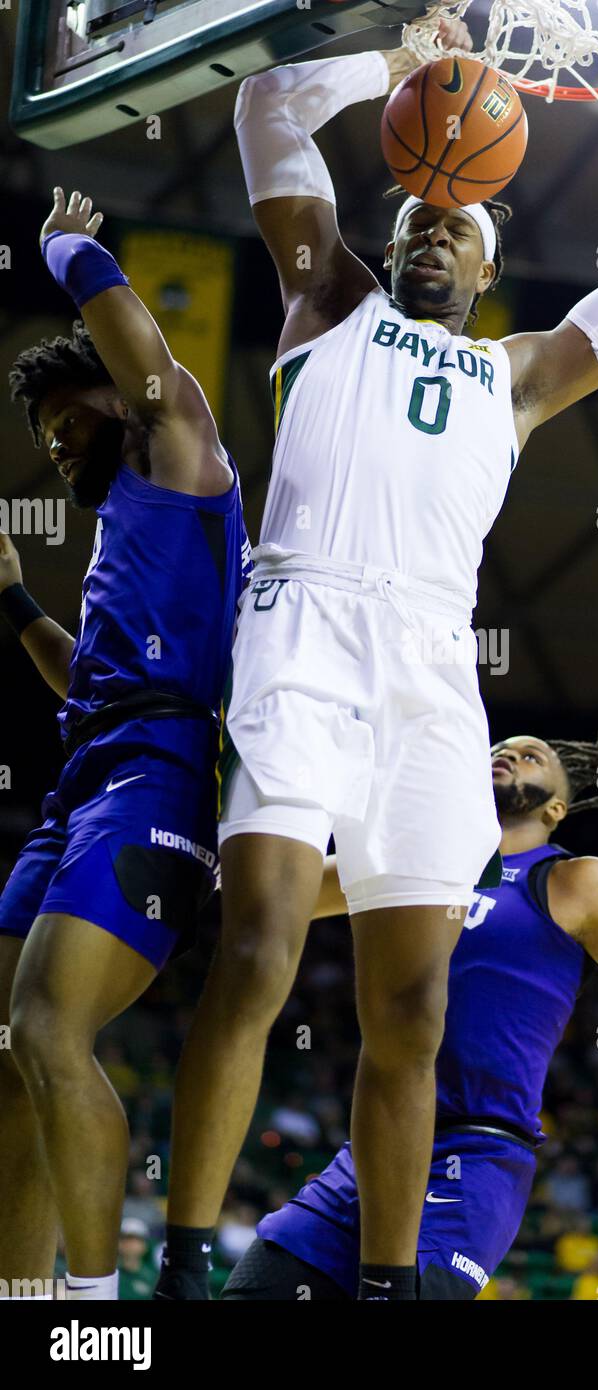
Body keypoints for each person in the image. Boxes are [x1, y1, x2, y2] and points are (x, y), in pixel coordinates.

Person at [158, 15, 598, 1302]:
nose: (427, 232)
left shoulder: (517, 376)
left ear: (489, 255)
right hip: (305, 622)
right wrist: (391, 72)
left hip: (429, 663)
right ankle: (185, 1263)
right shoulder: (326, 297)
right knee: (257, 950)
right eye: (414, 216)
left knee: (408, 1016)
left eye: (451, 225)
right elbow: (267, 114)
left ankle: (384, 1289)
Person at [221, 731, 598, 1300]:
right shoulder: (415, 861)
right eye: (497, 748)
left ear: (557, 808)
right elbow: (278, 897)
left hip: (478, 1154)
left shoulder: (577, 882)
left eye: (529, 756)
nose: (504, 755)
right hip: (373, 1146)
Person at [0, 188, 249, 1301]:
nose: (56, 445)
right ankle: (23, 1300)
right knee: (11, 1058)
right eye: (43, 439)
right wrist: (12, 602)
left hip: (160, 776)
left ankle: (98, 1320)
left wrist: (68, 246)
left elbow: (136, 342)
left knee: (50, 1028)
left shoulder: (178, 444)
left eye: (68, 419)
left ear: (117, 393)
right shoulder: (115, 541)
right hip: (86, 771)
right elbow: (82, 684)